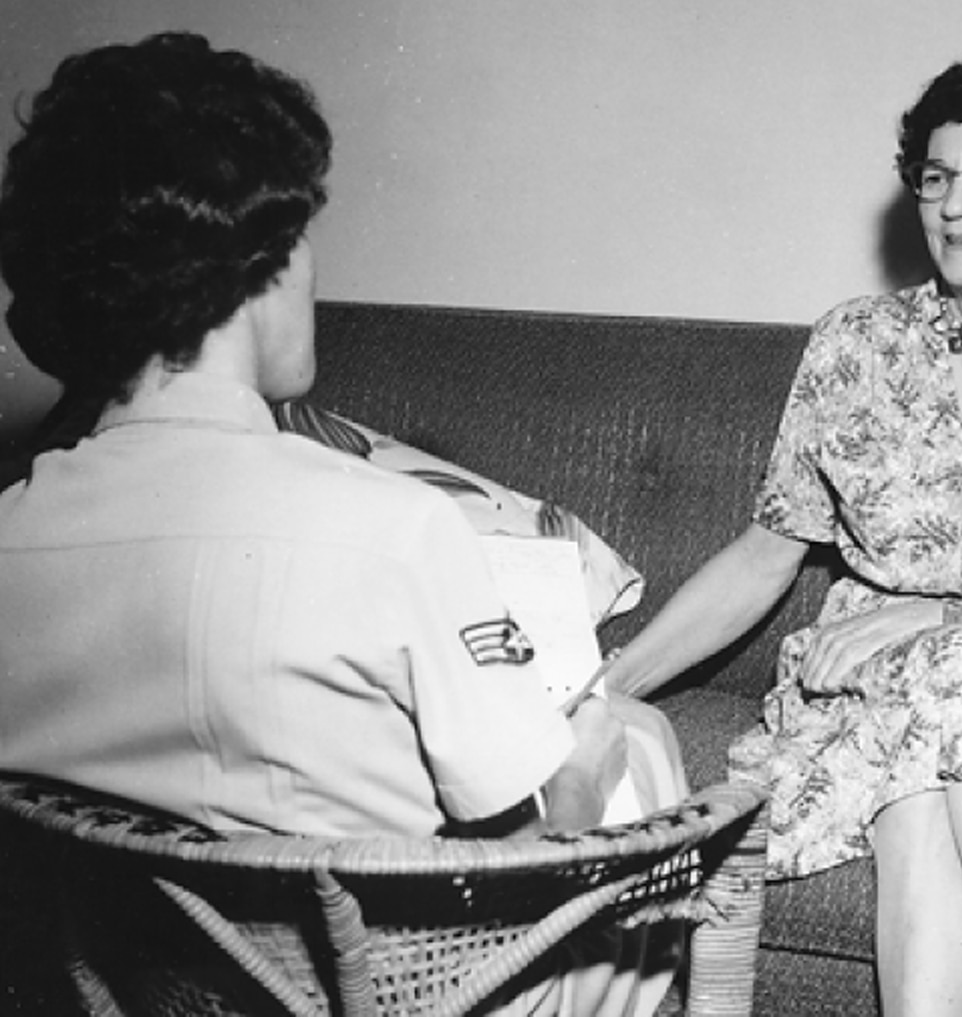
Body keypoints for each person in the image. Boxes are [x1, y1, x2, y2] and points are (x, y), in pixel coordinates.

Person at [0, 31, 683, 1015]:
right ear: (261, 266)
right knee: (628, 736)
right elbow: (536, 829)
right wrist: (586, 743)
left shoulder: (16, 527)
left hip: (132, 990)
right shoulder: (392, 528)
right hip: (409, 994)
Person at [601, 51, 962, 1017]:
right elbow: (768, 547)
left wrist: (929, 617)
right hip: (862, 696)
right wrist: (603, 687)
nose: (955, 205)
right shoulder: (853, 345)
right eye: (937, 179)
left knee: (948, 717)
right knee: (934, 744)